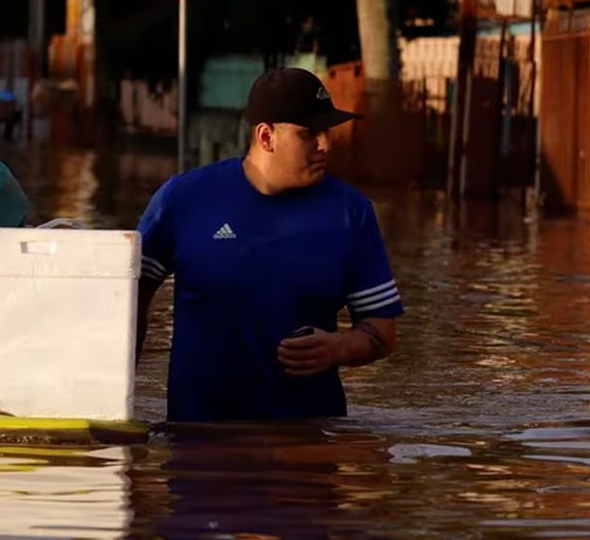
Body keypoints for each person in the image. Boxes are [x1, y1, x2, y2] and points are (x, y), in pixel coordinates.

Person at [136, 67, 404, 422]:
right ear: (266, 136)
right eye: (309, 134)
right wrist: (114, 396)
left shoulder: (350, 214)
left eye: (327, 132)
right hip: (199, 441)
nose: (326, 144)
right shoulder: (183, 200)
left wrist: (338, 347)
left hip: (306, 441)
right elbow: (128, 298)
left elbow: (382, 333)